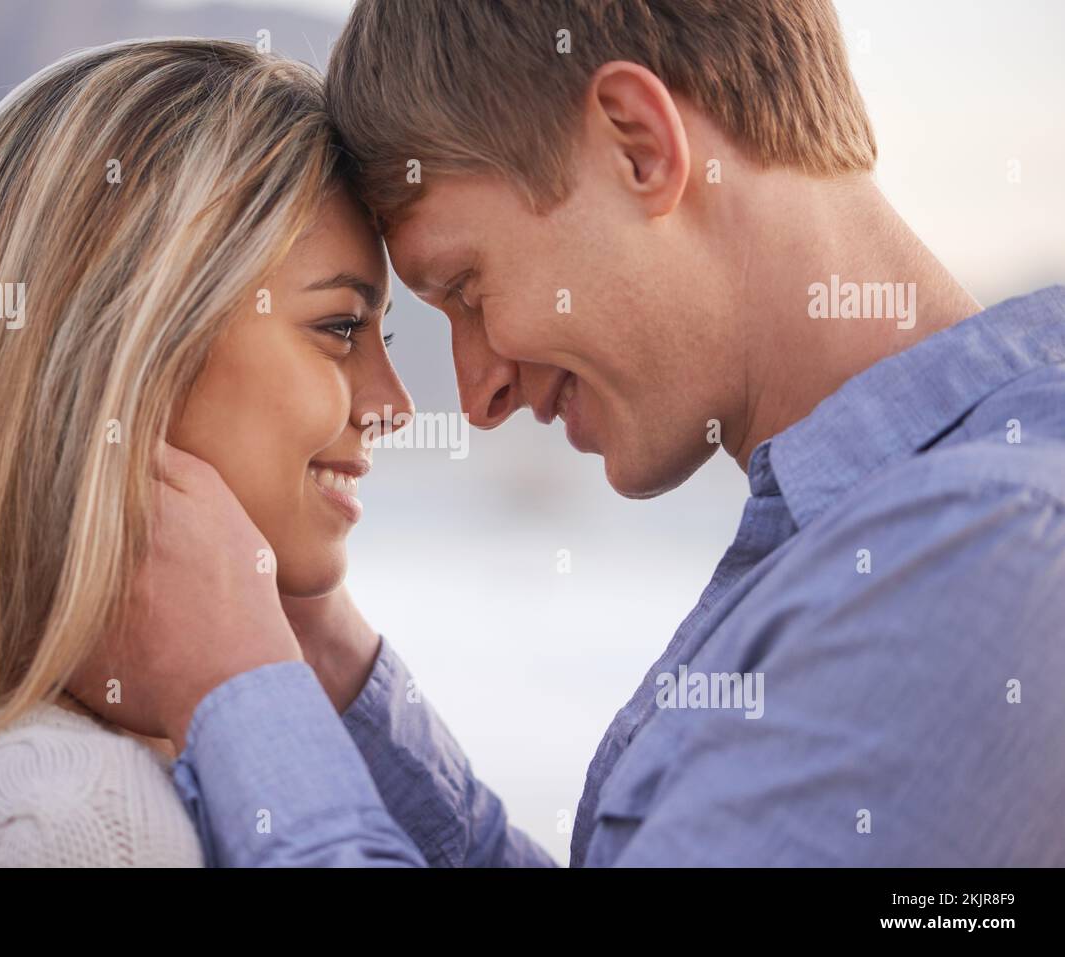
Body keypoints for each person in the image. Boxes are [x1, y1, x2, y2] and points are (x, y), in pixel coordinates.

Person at [74, 0, 1065, 866]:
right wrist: (329, 675)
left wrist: (240, 692)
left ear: (639, 143)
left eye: (465, 288)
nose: (476, 395)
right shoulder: (885, 536)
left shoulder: (977, 557)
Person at [0, 38, 410, 867]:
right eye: (341, 328)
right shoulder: (73, 815)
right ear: (129, 359)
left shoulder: (91, 776)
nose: (398, 405)